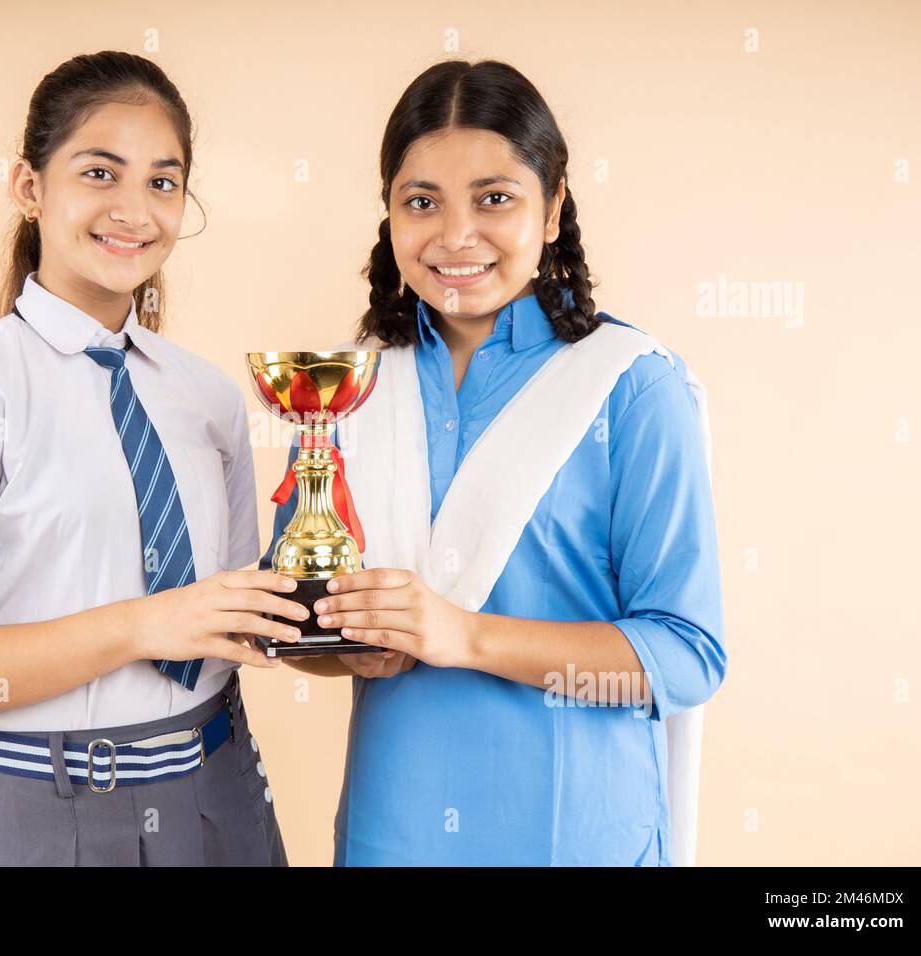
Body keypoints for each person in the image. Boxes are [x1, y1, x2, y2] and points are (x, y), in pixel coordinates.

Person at [265, 59, 726, 865]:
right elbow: (312, 619)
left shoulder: (631, 387)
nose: (455, 236)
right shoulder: (349, 388)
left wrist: (464, 637)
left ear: (552, 209)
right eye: (421, 202)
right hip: (391, 834)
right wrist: (349, 646)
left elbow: (686, 656)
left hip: (574, 837)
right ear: (390, 215)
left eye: (495, 198)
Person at [0, 51, 306, 866]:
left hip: (224, 798)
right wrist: (142, 626)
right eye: (101, 172)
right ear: (29, 187)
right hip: (45, 814)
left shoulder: (206, 396)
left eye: (163, 182)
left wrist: (346, 632)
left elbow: (224, 615)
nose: (134, 211)